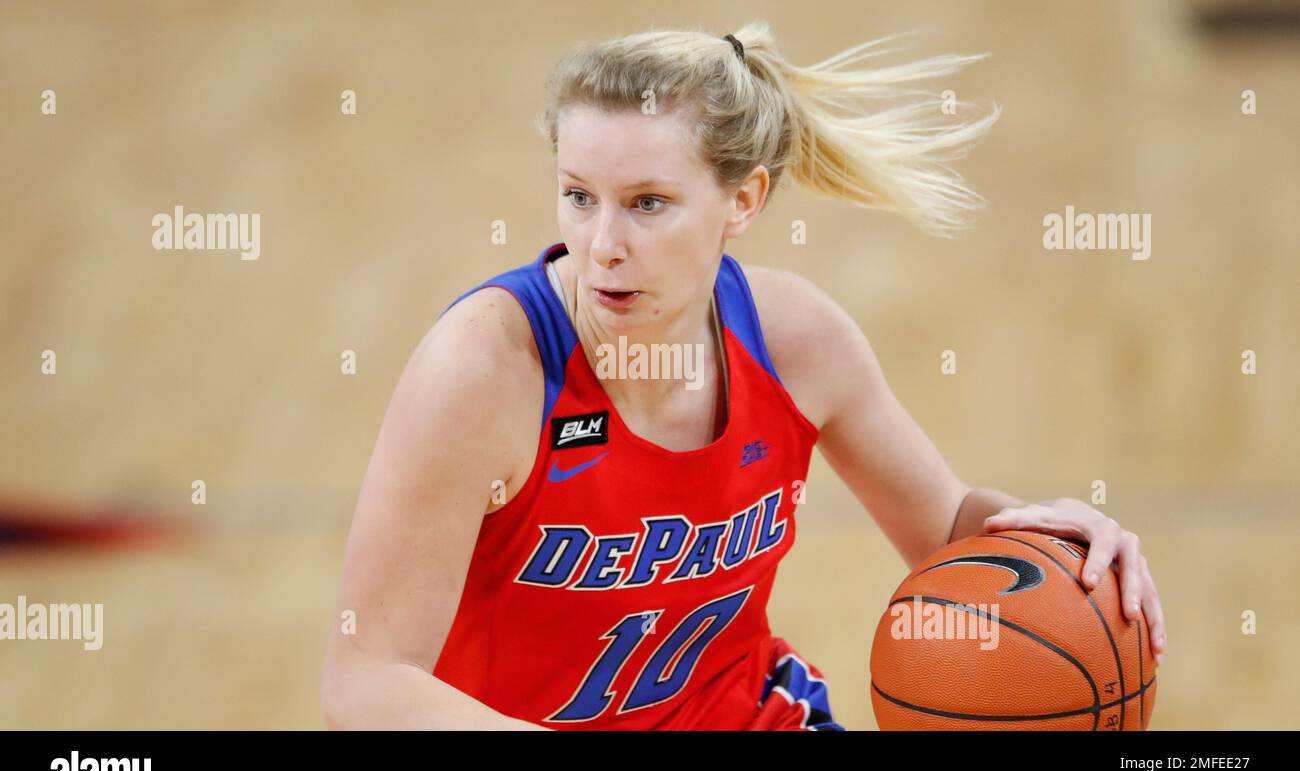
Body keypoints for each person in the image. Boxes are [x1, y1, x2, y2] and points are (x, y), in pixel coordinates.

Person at [320, 22, 1166, 730]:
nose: (605, 242)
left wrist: (1045, 540)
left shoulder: (795, 340)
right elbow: (364, 681)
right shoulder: (485, 371)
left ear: (744, 200)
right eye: (579, 196)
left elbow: (945, 531)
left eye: (647, 202)